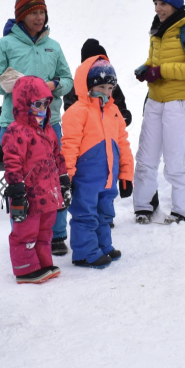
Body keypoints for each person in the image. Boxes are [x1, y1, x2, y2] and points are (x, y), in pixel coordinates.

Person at [0, 0, 73, 255]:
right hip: (14, 125)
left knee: (52, 179)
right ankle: (24, 236)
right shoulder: (5, 45)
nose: (39, 17)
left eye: (42, 12)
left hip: (50, 123)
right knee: (21, 182)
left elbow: (68, 80)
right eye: (33, 12)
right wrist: (13, 84)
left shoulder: (53, 46)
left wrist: (53, 85)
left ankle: (56, 235)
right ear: (21, 16)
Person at [132, 0, 185, 225]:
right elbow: (155, 61)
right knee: (146, 158)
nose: (157, 8)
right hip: (155, 101)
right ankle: (144, 206)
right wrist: (146, 68)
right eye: (155, 3)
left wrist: (160, 70)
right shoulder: (157, 31)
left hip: (181, 103)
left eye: (162, 3)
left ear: (175, 4)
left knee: (177, 160)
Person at [61, 56, 133, 268]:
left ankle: (102, 245)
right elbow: (70, 145)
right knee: (85, 213)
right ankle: (84, 252)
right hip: (86, 177)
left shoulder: (114, 112)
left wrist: (126, 174)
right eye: (101, 86)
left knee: (105, 213)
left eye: (110, 87)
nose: (106, 92)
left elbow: (123, 143)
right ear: (88, 85)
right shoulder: (77, 111)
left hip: (109, 175)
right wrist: (68, 175)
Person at [2, 76, 67, 283]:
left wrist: (63, 179)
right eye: (36, 104)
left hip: (47, 191)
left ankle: (42, 263)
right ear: (24, 104)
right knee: (25, 232)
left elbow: (57, 156)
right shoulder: (17, 130)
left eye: (45, 103)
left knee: (44, 230)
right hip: (28, 193)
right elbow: (12, 161)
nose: (42, 108)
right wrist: (16, 189)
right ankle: (24, 269)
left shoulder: (48, 129)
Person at [63, 39, 132, 127]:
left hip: (109, 132)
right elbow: (70, 112)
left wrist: (123, 117)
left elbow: (120, 107)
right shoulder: (76, 86)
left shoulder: (111, 85)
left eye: (102, 61)